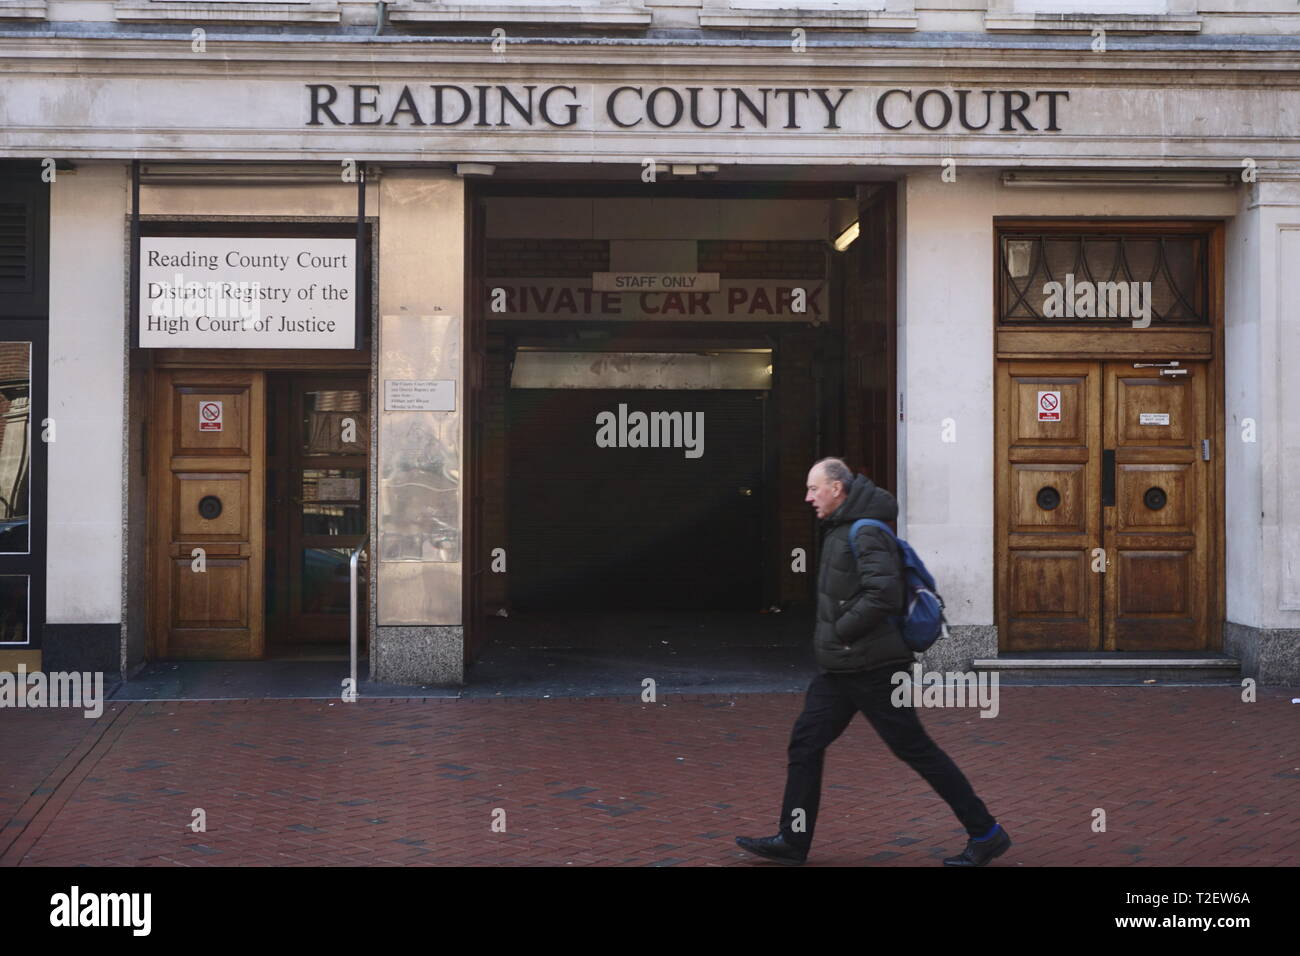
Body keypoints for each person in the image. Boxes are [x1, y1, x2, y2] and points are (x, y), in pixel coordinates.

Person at [735, 457, 1011, 867]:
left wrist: (843, 629)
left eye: (814, 488)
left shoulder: (865, 532)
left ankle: (986, 833)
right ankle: (792, 839)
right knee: (806, 742)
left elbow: (883, 593)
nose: (808, 497)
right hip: (842, 671)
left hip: (876, 670)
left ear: (837, 489)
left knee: (916, 750)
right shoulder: (843, 529)